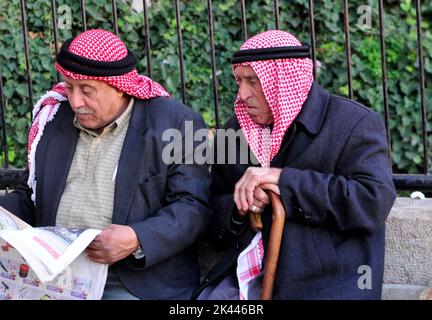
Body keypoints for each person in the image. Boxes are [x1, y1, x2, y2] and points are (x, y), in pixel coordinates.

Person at [0, 29, 211, 300]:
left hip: (130, 279)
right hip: (51, 274)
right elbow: (32, 196)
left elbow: (193, 207)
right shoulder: (53, 119)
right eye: (70, 86)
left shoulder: (176, 124)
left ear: (121, 88)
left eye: (87, 90)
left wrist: (137, 238)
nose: (75, 101)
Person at [194, 30, 396, 300]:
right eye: (239, 80)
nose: (242, 94)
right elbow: (212, 209)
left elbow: (372, 202)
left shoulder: (353, 123)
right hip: (243, 280)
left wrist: (284, 181)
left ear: (283, 81)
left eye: (253, 81)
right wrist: (241, 207)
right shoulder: (236, 131)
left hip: (326, 286)